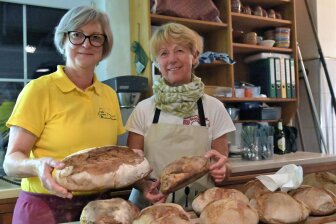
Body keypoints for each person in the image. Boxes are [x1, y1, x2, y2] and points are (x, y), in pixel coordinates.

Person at [3, 6, 125, 224]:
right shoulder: (39, 90)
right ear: (63, 40)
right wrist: (37, 166)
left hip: (100, 208)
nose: (86, 44)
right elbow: (11, 162)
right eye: (77, 35)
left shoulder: (109, 95)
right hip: (45, 206)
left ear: (104, 45)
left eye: (95, 37)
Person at [126, 22, 236, 209]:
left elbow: (223, 167)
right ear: (156, 63)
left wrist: (222, 171)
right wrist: (145, 187)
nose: (172, 59)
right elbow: (131, 169)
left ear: (194, 56)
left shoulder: (214, 108)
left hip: (196, 208)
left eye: (179, 50)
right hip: (150, 209)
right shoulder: (143, 109)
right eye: (163, 53)